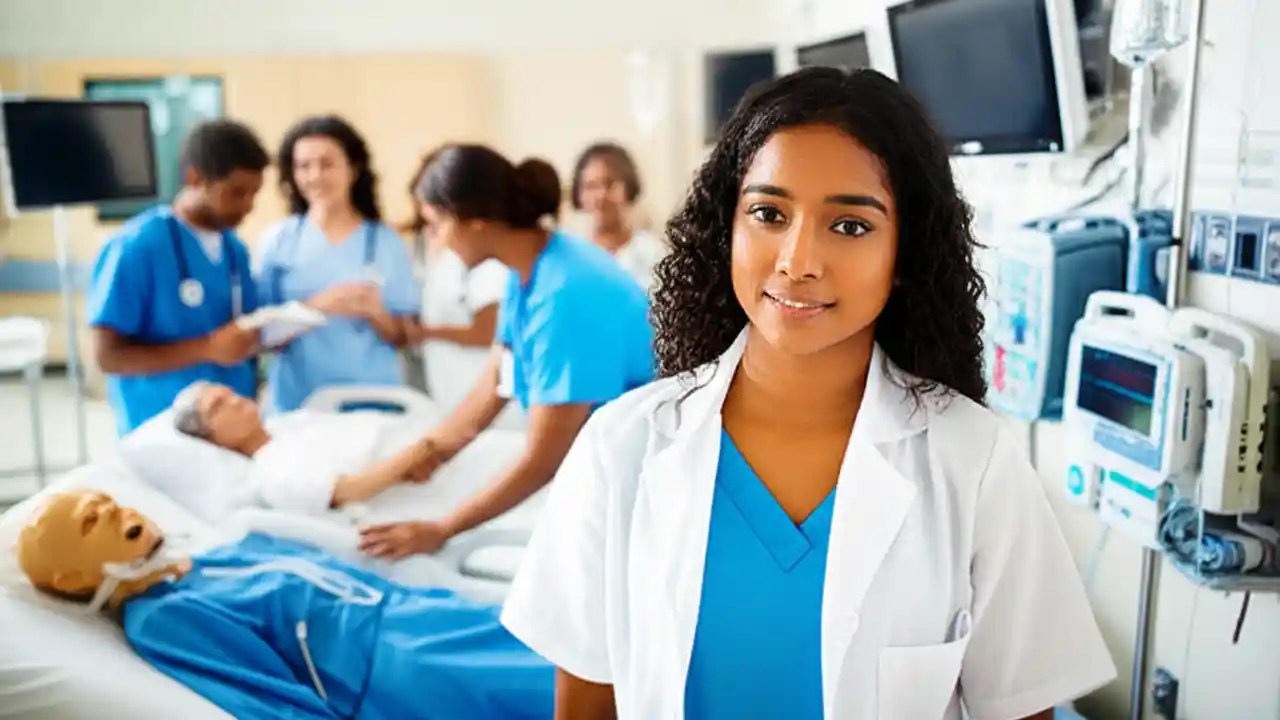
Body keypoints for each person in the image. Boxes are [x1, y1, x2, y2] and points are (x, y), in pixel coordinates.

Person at [500, 68, 1117, 719]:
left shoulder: (974, 462)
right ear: (726, 228)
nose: (797, 260)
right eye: (768, 214)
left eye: (850, 225)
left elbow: (1020, 709)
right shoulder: (622, 445)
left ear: (905, 253)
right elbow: (586, 700)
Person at [356, 145, 654, 561]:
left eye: (435, 224)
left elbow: (541, 461)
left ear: (475, 223)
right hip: (605, 468)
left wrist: (441, 530)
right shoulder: (528, 270)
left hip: (644, 480)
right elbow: (495, 385)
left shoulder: (565, 293)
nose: (434, 240)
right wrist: (431, 452)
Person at [15, 490, 553, 719]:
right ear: (72, 576)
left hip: (421, 613)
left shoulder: (217, 555)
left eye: (108, 501)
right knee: (569, 685)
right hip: (399, 666)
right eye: (91, 521)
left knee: (587, 656)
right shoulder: (163, 617)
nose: (113, 511)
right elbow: (267, 698)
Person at [89, 120, 269, 435]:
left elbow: (245, 326)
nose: (248, 206)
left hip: (227, 434)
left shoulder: (234, 250)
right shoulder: (137, 246)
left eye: (254, 194)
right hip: (161, 429)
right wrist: (207, 348)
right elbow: (108, 357)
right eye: (237, 192)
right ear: (195, 177)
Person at [165, 381, 525, 519]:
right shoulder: (273, 472)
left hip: (453, 450)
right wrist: (424, 448)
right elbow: (351, 489)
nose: (233, 398)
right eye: (218, 406)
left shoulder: (289, 424)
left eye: (226, 392)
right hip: (441, 475)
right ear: (212, 439)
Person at [255, 115, 420, 413]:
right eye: (303, 166)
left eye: (327, 164)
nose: (315, 176)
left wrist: (377, 313)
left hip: (373, 401)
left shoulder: (384, 241)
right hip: (298, 403)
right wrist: (316, 307)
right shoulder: (278, 240)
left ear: (353, 169)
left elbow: (404, 337)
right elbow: (261, 336)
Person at [401, 148, 516, 421]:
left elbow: (489, 330)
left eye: (436, 221)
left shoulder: (482, 260)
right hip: (452, 394)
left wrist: (425, 333)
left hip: (489, 406)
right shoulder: (441, 252)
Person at [571, 142, 666, 289]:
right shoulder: (569, 257)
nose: (600, 195)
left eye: (609, 184)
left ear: (628, 188)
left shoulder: (653, 253)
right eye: (591, 186)